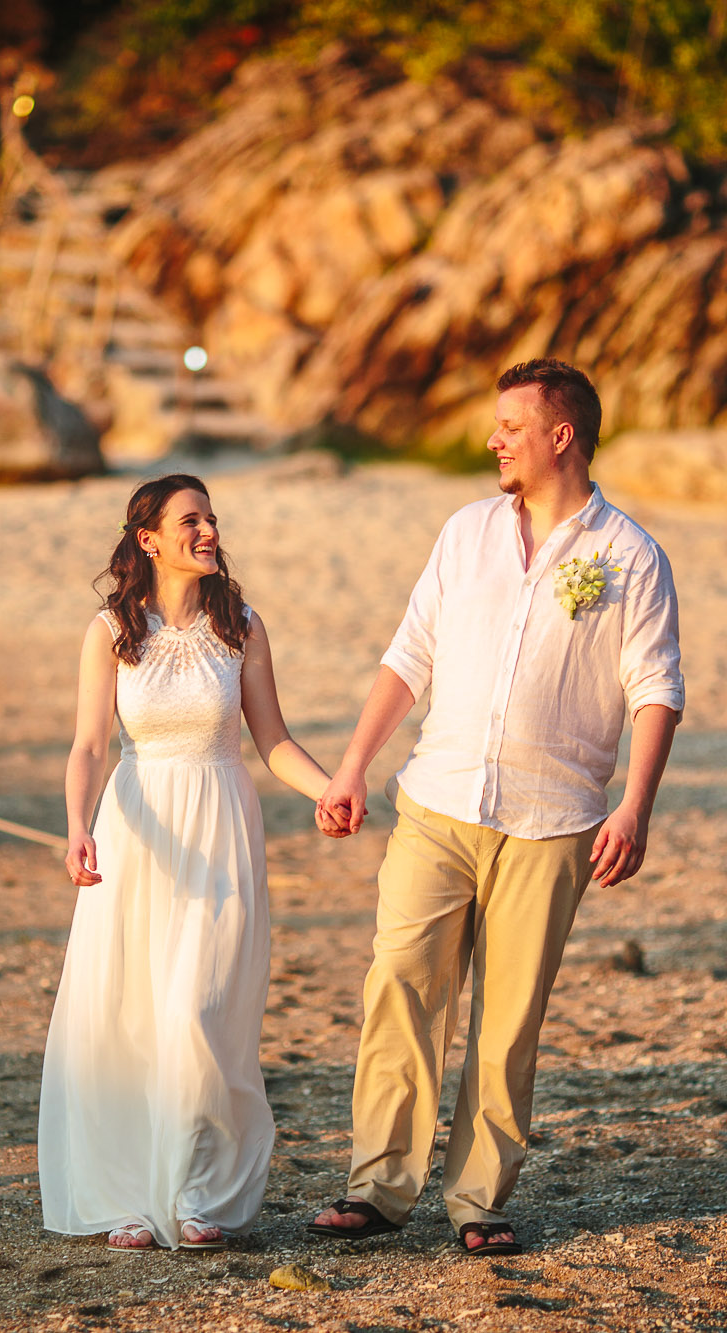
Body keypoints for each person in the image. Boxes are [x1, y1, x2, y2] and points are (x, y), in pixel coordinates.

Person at [306, 359, 683, 1256]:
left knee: (509, 1016)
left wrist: (635, 805)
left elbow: (656, 688)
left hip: (553, 821)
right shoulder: (465, 530)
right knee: (400, 985)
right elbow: (410, 657)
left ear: (562, 435)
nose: (492, 439)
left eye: (510, 425)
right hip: (435, 801)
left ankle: (479, 1198)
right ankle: (378, 1185)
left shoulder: (629, 555)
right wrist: (354, 765)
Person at [41, 473, 344, 1253]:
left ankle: (198, 1188)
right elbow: (88, 746)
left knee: (202, 1011)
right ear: (149, 539)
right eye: (190, 519)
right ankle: (132, 1197)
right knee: (134, 1015)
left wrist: (330, 788)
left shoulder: (240, 624)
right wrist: (78, 828)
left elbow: (272, 740)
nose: (208, 529)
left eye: (211, 517)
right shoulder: (110, 629)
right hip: (139, 829)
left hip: (222, 829)